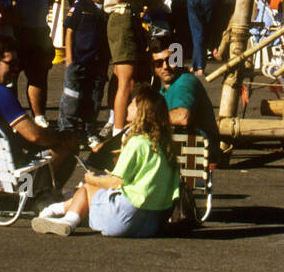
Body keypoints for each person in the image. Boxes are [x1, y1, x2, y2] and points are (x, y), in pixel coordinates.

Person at [32, 85, 180, 238]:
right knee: (99, 184)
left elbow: (115, 182)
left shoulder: (137, 142)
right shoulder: (166, 146)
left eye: (132, 104)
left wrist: (92, 179)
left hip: (125, 217)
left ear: (141, 112)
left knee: (88, 188)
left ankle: (67, 220)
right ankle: (57, 210)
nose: (128, 107)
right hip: (150, 223)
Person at [0, 35, 76, 186]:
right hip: (5, 177)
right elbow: (35, 136)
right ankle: (34, 196)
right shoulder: (0, 93)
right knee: (66, 149)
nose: (15, 69)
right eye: (10, 63)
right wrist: (61, 139)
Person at [104, 0, 171, 133]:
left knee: (135, 76)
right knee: (126, 79)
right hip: (121, 18)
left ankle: (127, 121)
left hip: (131, 18)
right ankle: (118, 128)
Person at [58, 0, 111, 144]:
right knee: (72, 97)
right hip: (79, 60)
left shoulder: (109, 5)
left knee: (94, 98)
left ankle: (89, 131)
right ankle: (68, 131)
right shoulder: (81, 4)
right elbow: (70, 31)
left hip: (98, 61)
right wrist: (69, 59)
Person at [152, 43, 220, 161]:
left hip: (195, 155)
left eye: (171, 60)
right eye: (159, 63)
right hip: (183, 150)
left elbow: (182, 117)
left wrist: (146, 117)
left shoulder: (185, 82)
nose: (165, 66)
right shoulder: (165, 88)